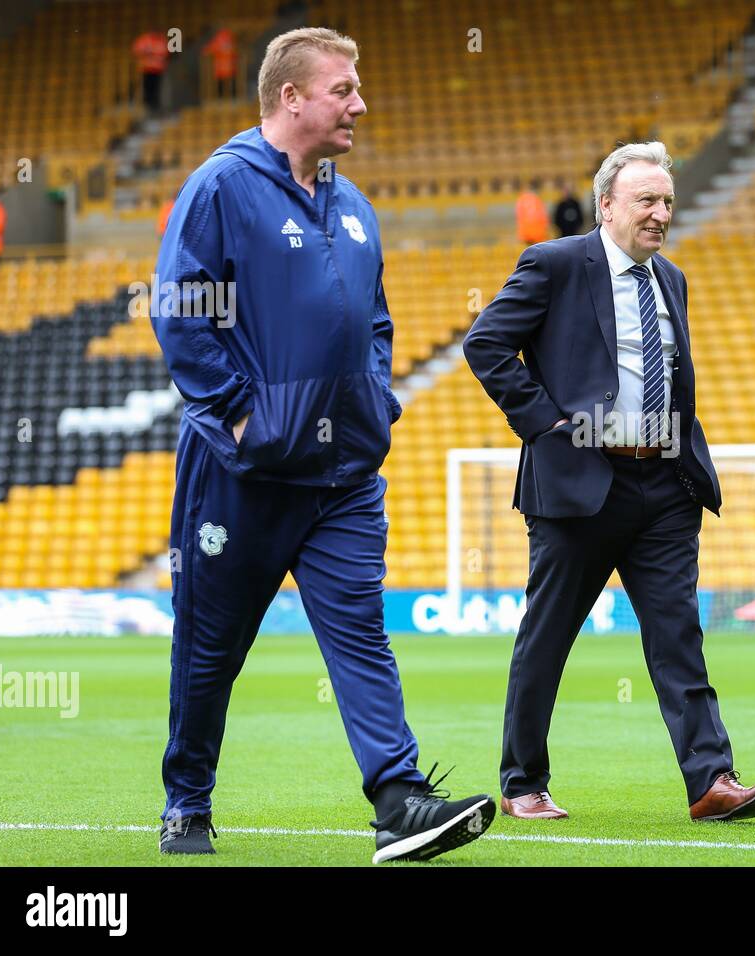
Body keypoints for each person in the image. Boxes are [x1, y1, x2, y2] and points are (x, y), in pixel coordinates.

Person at [151, 26, 494, 863]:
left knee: (360, 632)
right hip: (243, 474)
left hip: (343, 476)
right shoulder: (222, 186)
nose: (360, 103)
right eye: (343, 89)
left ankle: (398, 798)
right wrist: (239, 417)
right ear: (291, 97)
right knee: (209, 651)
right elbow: (179, 308)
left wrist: (375, 401)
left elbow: (374, 322)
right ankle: (186, 801)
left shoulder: (352, 203)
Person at [462, 142, 755, 823]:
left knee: (678, 635)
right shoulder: (553, 265)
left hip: (664, 487)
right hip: (580, 485)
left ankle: (711, 781)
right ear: (607, 205)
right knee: (548, 637)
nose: (660, 213)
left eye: (667, 201)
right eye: (647, 200)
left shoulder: (673, 278)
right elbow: (485, 343)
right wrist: (546, 423)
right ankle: (523, 782)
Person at [132, 28, 171, 114]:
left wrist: (151, 53)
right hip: (147, 69)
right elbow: (137, 50)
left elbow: (165, 52)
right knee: (147, 88)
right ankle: (148, 105)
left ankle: (156, 105)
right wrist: (151, 53)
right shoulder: (145, 39)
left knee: (157, 88)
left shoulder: (162, 40)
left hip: (158, 69)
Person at [205, 27, 239, 100]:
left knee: (223, 84)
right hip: (229, 66)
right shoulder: (230, 39)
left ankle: (222, 98)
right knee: (228, 83)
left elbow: (207, 51)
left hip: (221, 67)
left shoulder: (217, 40)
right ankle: (232, 97)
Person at [515, 180, 550, 244]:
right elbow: (543, 216)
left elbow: (519, 216)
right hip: (538, 233)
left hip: (526, 232)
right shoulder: (538, 200)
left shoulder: (521, 199)